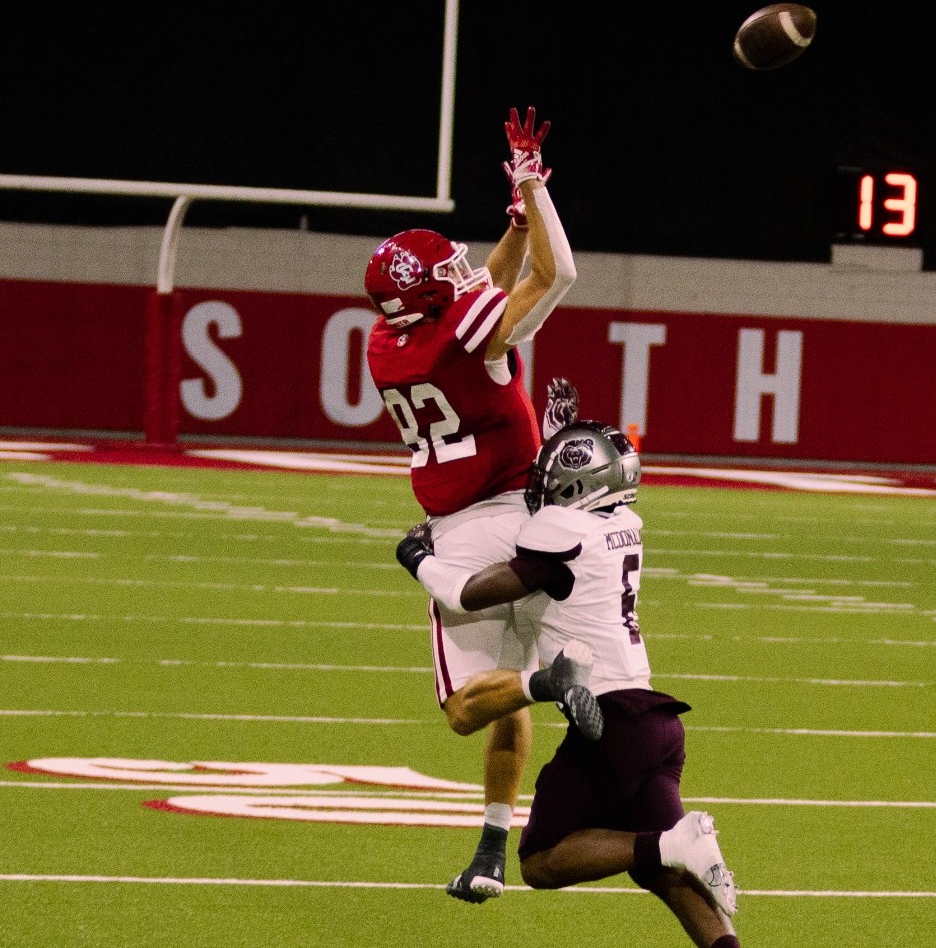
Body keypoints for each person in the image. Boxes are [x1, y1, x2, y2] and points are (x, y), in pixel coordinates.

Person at [364, 106, 594, 904]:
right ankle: (497, 838)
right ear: (432, 297)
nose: (465, 273)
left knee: (477, 702)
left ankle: (496, 838)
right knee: (504, 690)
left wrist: (512, 219)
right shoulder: (463, 332)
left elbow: (480, 288)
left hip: (467, 531)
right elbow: (552, 273)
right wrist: (532, 188)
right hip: (531, 517)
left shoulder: (388, 342)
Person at [395, 420, 741, 948]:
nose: (543, 485)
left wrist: (417, 557)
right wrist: (558, 432)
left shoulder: (563, 536)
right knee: (670, 873)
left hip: (610, 725)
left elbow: (466, 594)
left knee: (541, 860)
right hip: (657, 723)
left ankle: (672, 845)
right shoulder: (623, 521)